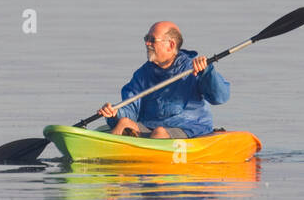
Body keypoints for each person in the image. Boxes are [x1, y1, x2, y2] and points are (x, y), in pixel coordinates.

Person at [98, 21, 230, 138]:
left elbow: (220, 97)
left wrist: (207, 72)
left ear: (171, 45)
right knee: (124, 122)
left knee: (159, 132)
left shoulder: (193, 67)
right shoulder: (142, 74)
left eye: (152, 40)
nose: (147, 43)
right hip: (150, 126)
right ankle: (108, 154)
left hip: (190, 128)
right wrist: (115, 112)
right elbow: (131, 109)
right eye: (146, 38)